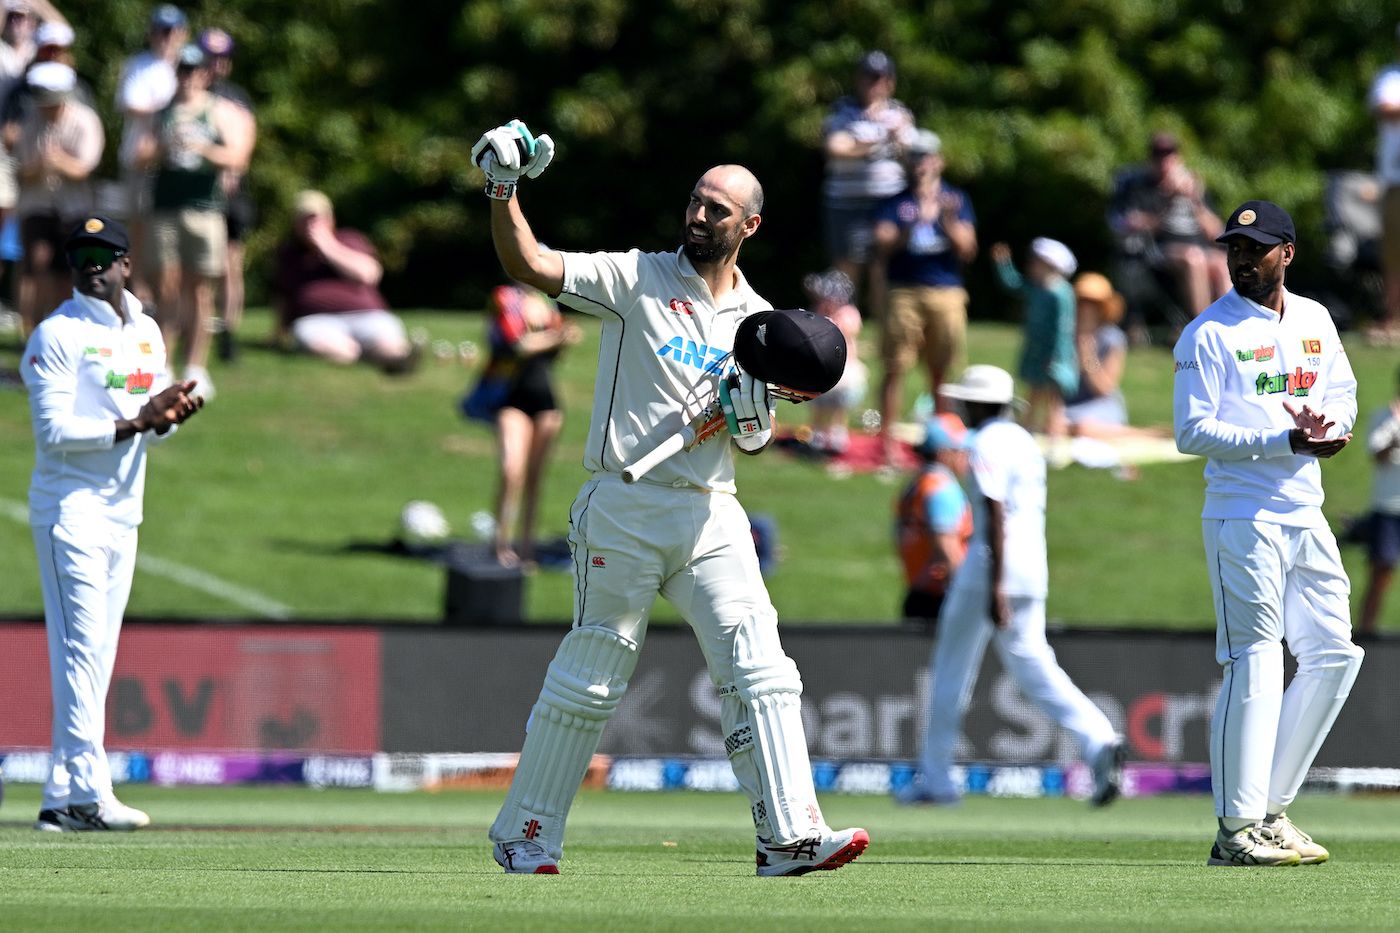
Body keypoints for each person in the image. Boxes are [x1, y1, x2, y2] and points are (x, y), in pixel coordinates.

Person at [471, 118, 868, 875]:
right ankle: (525, 832)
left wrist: (750, 422)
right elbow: (530, 263)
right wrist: (502, 188)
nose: (699, 215)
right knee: (595, 675)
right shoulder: (636, 278)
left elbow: (753, 436)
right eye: (695, 201)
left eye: (718, 209)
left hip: (711, 509)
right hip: (625, 502)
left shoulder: (759, 321)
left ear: (749, 226)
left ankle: (787, 836)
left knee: (761, 667)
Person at [1173, 199, 1365, 867]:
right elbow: (1192, 431)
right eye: (1234, 248)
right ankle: (1234, 832)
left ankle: (1270, 812)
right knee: (1254, 658)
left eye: (1255, 249)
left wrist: (1330, 428)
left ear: (1287, 253)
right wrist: (1283, 440)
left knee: (1335, 653)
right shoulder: (1207, 333)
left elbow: (1342, 391)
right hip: (1243, 515)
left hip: (1305, 510)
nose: (1242, 260)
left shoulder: (1314, 318)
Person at [19, 213, 203, 831]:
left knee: (96, 653)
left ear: (127, 264)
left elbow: (151, 418)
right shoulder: (57, 334)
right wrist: (136, 423)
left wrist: (167, 417)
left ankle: (59, 796)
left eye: (103, 256)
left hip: (125, 512)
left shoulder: (146, 331)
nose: (91, 266)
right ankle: (88, 795)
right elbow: (53, 432)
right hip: (70, 511)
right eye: (80, 257)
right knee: (80, 652)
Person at [898, 364, 1124, 808]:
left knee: (951, 670)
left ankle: (937, 780)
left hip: (988, 569)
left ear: (978, 404)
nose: (961, 408)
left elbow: (994, 510)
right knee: (1034, 666)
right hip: (1031, 568)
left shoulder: (985, 441)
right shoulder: (1023, 440)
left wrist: (995, 587)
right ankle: (1099, 738)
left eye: (965, 401)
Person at [132, 42, 253, 399]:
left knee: (200, 289)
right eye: (182, 70)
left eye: (194, 70)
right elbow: (139, 156)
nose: (188, 77)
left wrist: (202, 148)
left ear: (204, 74)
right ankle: (164, 364)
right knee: (166, 287)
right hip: (166, 208)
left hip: (204, 209)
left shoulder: (219, 110)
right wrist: (165, 146)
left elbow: (238, 157)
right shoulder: (163, 113)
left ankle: (196, 366)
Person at [872, 128, 977, 463]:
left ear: (939, 161)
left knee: (942, 371)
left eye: (927, 156)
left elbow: (968, 248)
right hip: (903, 290)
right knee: (895, 367)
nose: (921, 163)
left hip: (946, 291)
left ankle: (940, 443)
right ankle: (887, 444)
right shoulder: (895, 202)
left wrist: (946, 220)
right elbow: (882, 243)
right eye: (915, 156)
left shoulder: (956, 199)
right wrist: (913, 222)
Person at [476, 281, 582, 567]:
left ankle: (526, 548)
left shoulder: (547, 303)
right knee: (512, 470)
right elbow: (516, 344)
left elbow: (554, 354)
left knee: (535, 477)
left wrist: (562, 340)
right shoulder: (505, 298)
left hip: (545, 397)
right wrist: (557, 337)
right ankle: (500, 543)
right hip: (510, 396)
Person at [273, 189, 417, 372]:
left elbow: (368, 274)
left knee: (388, 346)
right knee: (336, 349)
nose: (310, 225)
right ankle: (360, 356)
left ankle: (395, 361)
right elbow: (282, 295)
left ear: (330, 219)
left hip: (368, 316)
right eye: (305, 219)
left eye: (316, 218)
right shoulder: (289, 253)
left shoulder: (350, 239)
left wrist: (327, 246)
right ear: (295, 222)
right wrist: (278, 333)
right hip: (316, 321)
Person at [11, 60, 102, 332]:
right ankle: (34, 332)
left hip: (74, 208)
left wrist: (58, 161)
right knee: (36, 267)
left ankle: (66, 330)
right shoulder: (30, 121)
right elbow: (21, 170)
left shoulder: (85, 120)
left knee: (68, 273)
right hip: (37, 205)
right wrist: (40, 165)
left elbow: (85, 168)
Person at [821, 50, 914, 309]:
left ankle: (884, 326)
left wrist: (899, 140)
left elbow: (912, 156)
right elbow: (836, 147)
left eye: (881, 77)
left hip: (888, 202)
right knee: (845, 268)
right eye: (869, 77)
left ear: (890, 81)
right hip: (846, 203)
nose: (875, 83)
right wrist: (881, 138)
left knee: (884, 266)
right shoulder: (843, 111)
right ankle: (843, 324)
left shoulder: (900, 113)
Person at [1107, 132, 1230, 325]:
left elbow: (1217, 233)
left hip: (1200, 247)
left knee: (1221, 262)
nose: (1164, 160)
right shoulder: (1140, 187)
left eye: (1169, 153)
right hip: (1160, 251)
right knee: (1194, 258)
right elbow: (1133, 225)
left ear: (1178, 157)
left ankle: (1229, 324)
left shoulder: (1193, 186)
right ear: (1150, 158)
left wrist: (1195, 200)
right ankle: (1203, 326)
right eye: (1158, 154)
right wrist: (1169, 199)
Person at [114, 4, 187, 306]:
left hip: (180, 163)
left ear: (183, 33)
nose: (166, 37)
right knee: (139, 228)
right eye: (161, 31)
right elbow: (131, 104)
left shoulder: (189, 64)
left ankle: (172, 300)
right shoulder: (138, 65)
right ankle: (139, 292)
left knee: (175, 233)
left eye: (171, 31)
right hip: (142, 162)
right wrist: (172, 110)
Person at [197, 26, 256, 363]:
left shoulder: (237, 98)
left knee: (231, 265)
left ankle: (228, 334)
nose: (216, 64)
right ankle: (199, 330)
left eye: (222, 57)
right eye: (210, 57)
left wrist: (230, 169)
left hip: (231, 194)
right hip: (195, 193)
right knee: (202, 268)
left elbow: (245, 145)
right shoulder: (190, 94)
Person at [992, 237, 1078, 451]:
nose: (1031, 266)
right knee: (1033, 395)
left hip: (1054, 357)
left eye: (1036, 262)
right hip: (1036, 351)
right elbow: (1012, 283)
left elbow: (1062, 329)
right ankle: (1026, 436)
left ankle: (1054, 443)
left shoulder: (1060, 293)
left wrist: (1055, 356)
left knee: (1054, 402)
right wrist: (1003, 264)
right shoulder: (1037, 288)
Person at [1064, 271, 1168, 442]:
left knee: (1083, 428)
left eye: (1093, 304)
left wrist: (1088, 357)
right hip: (1068, 404)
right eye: (1082, 301)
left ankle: (1144, 435)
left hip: (1099, 404)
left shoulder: (1112, 338)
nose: (1085, 309)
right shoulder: (1064, 334)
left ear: (1102, 308)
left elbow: (1104, 389)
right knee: (1051, 424)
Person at [895, 412, 972, 629]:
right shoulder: (942, 490)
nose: (965, 456)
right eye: (960, 450)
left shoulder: (917, 484)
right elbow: (946, 547)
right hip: (941, 597)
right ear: (943, 453)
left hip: (919, 593)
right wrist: (967, 597)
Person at [801, 267, 866, 455]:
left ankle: (837, 431)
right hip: (821, 367)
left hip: (844, 369)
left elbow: (847, 331)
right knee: (819, 403)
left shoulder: (848, 314)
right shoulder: (819, 312)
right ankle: (818, 431)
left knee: (839, 405)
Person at [1359, 368, 1400, 636]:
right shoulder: (1383, 418)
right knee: (1381, 572)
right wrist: (1393, 441)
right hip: (1389, 507)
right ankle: (1366, 631)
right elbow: (1377, 455)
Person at [1369, 28, 1400, 344]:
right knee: (1394, 254)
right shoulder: (1390, 77)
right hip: (1395, 182)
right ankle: (1393, 319)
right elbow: (1384, 108)